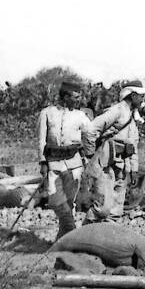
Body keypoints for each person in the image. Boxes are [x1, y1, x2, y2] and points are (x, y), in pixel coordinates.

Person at [81, 82, 145, 221]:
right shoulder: (117, 111)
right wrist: (90, 154)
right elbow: (90, 130)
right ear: (133, 95)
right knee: (103, 208)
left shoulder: (132, 116)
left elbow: (132, 146)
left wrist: (133, 170)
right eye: (141, 97)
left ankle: (106, 241)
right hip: (106, 166)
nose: (142, 100)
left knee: (115, 211)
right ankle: (82, 238)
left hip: (122, 167)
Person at [36, 79, 92, 238]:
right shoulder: (47, 113)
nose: (79, 100)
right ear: (65, 97)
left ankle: (65, 237)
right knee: (54, 200)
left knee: (70, 202)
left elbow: (92, 135)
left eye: (79, 97)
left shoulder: (81, 116)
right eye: (75, 97)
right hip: (53, 162)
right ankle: (71, 229)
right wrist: (42, 162)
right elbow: (41, 140)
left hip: (74, 164)